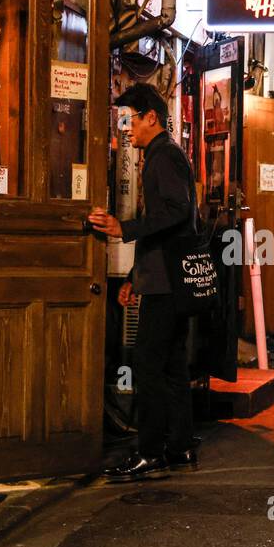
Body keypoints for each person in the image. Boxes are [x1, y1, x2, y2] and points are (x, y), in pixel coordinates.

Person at [88, 83, 200, 482]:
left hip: (166, 283)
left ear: (151, 117)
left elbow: (176, 211)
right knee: (171, 365)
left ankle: (151, 452)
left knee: (148, 365)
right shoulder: (163, 154)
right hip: (165, 278)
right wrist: (135, 278)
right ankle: (180, 446)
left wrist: (125, 227)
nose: (126, 129)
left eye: (129, 120)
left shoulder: (163, 155)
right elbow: (168, 224)